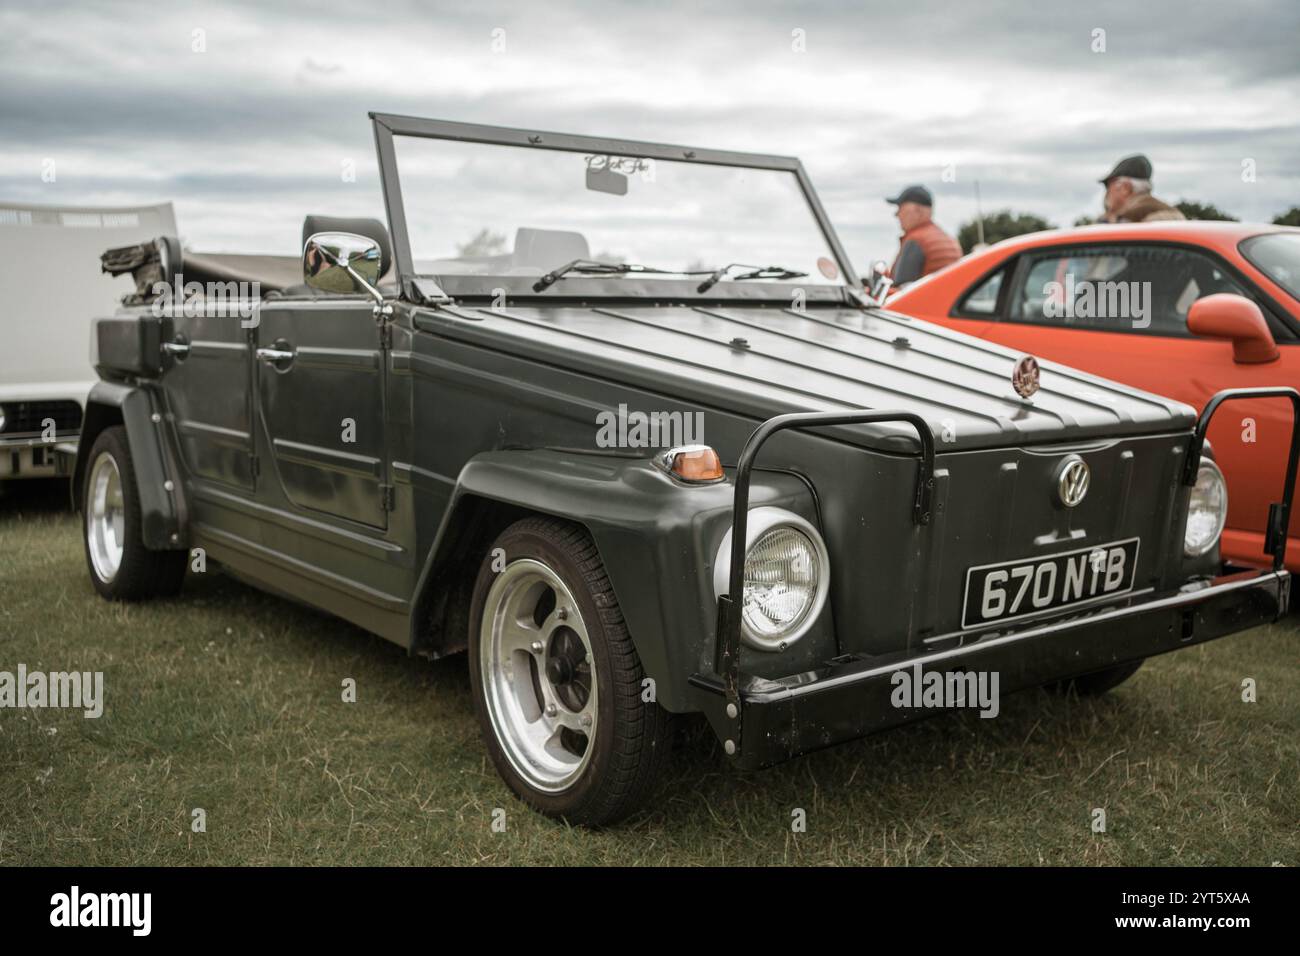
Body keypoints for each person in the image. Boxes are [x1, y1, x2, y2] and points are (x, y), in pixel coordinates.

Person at [885, 185, 962, 285]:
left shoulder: (917, 241)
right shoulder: (948, 239)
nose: (896, 214)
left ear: (917, 210)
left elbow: (900, 291)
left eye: (900, 208)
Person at [1099, 154, 1185, 223]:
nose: (1107, 192)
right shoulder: (1174, 215)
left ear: (1125, 188)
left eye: (1108, 185)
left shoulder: (1129, 220)